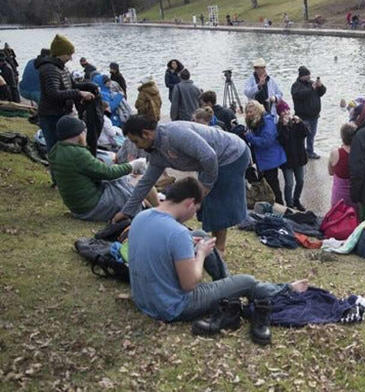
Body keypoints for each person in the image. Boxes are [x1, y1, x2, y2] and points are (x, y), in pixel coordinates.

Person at [128, 177, 309, 345]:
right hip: (173, 307)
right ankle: (285, 288)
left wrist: (191, 244)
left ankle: (227, 288)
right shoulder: (178, 233)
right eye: (195, 210)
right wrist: (200, 254)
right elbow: (189, 284)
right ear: (190, 203)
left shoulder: (141, 217)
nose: (193, 215)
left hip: (144, 300)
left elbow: (161, 247)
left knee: (200, 235)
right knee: (246, 281)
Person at [112, 115, 251, 254]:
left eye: (136, 141)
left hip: (231, 154)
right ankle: (213, 243)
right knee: (208, 202)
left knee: (217, 202)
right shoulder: (157, 152)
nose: (136, 146)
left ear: (146, 134)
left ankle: (219, 249)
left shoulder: (175, 134)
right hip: (210, 160)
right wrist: (126, 211)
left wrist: (206, 185)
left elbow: (209, 156)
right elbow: (146, 183)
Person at [48, 115, 155, 221]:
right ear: (79, 134)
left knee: (127, 182)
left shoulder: (56, 150)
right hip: (93, 207)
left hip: (77, 208)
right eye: (84, 132)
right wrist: (132, 165)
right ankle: (156, 212)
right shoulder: (78, 153)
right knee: (135, 181)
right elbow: (108, 173)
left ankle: (149, 208)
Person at [37, 34, 95, 155]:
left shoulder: (61, 68)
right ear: (60, 53)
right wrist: (79, 93)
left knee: (66, 150)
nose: (71, 58)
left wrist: (90, 86)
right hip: (51, 116)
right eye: (69, 54)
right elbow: (54, 94)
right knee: (55, 151)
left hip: (62, 113)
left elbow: (72, 85)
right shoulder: (50, 69)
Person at [244, 101, 286, 205]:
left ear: (257, 111)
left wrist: (250, 137)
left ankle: (280, 206)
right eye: (247, 112)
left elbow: (266, 141)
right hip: (263, 159)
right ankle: (273, 205)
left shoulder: (267, 122)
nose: (249, 114)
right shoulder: (256, 121)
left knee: (273, 185)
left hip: (270, 159)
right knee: (268, 185)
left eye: (251, 112)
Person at [276, 101, 308, 210]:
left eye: (287, 110)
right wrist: (284, 126)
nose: (286, 112)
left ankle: (296, 200)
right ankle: (289, 204)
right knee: (289, 183)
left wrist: (300, 123)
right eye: (283, 111)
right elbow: (283, 140)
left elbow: (305, 133)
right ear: (279, 114)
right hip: (287, 161)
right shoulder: (279, 126)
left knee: (300, 181)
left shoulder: (296, 122)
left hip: (299, 158)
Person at [290, 66, 326, 159]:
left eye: (309, 75)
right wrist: (311, 89)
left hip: (314, 116)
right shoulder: (296, 86)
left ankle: (310, 151)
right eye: (307, 75)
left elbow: (322, 92)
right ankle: (300, 152)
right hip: (303, 117)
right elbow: (299, 95)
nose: (309, 77)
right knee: (301, 136)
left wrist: (320, 86)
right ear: (302, 76)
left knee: (311, 135)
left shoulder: (312, 84)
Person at [328, 123, 356, 207]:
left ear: (342, 136)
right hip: (355, 197)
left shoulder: (335, 153)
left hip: (338, 197)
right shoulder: (360, 153)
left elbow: (331, 172)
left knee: (337, 214)